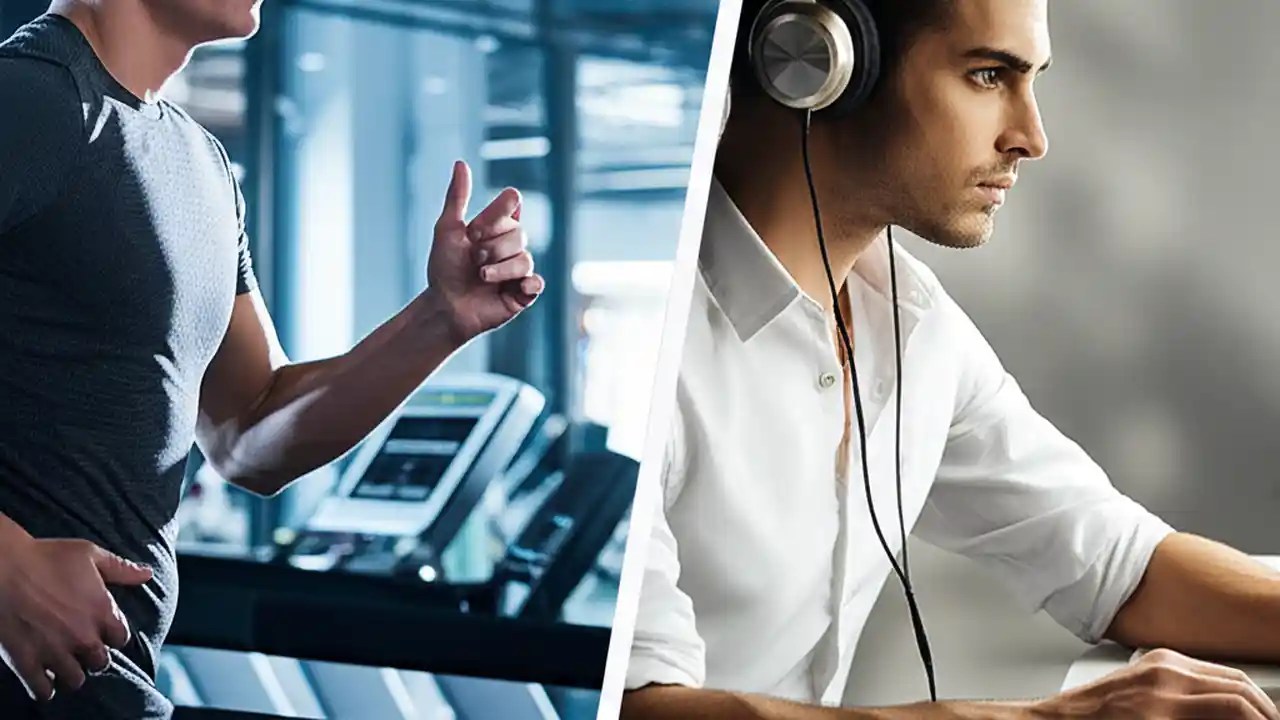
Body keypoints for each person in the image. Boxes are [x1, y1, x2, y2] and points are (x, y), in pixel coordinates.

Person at [622, 1, 1280, 719]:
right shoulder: (661, 348)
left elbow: (1114, 564)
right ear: (816, 62)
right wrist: (1049, 718)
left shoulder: (913, 322)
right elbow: (639, 706)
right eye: (989, 75)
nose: (1032, 137)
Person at [0, 0, 544, 717]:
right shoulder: (28, 100)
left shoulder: (200, 164)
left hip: (105, 689)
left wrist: (439, 320)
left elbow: (250, 435)